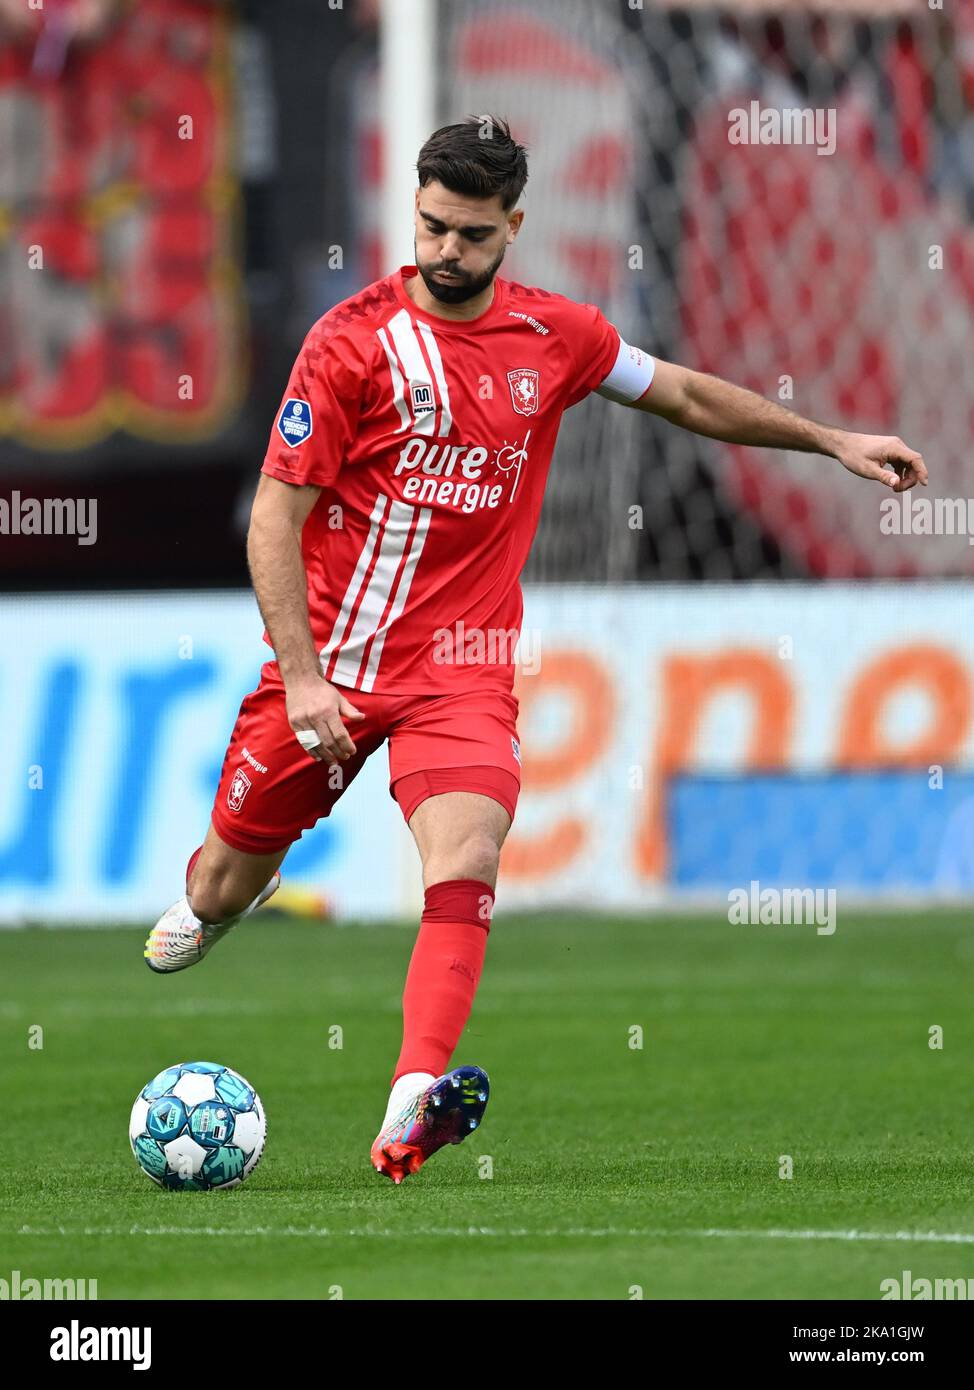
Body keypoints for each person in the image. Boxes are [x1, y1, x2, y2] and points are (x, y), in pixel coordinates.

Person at [143, 114, 927, 1184]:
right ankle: (216, 897)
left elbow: (686, 394)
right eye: (429, 228)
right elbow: (272, 519)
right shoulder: (348, 344)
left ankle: (410, 1099)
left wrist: (830, 439)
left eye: (470, 233)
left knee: (464, 857)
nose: (445, 252)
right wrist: (309, 673)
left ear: (512, 225)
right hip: (328, 664)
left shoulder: (555, 337)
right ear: (411, 213)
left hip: (460, 669)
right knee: (226, 879)